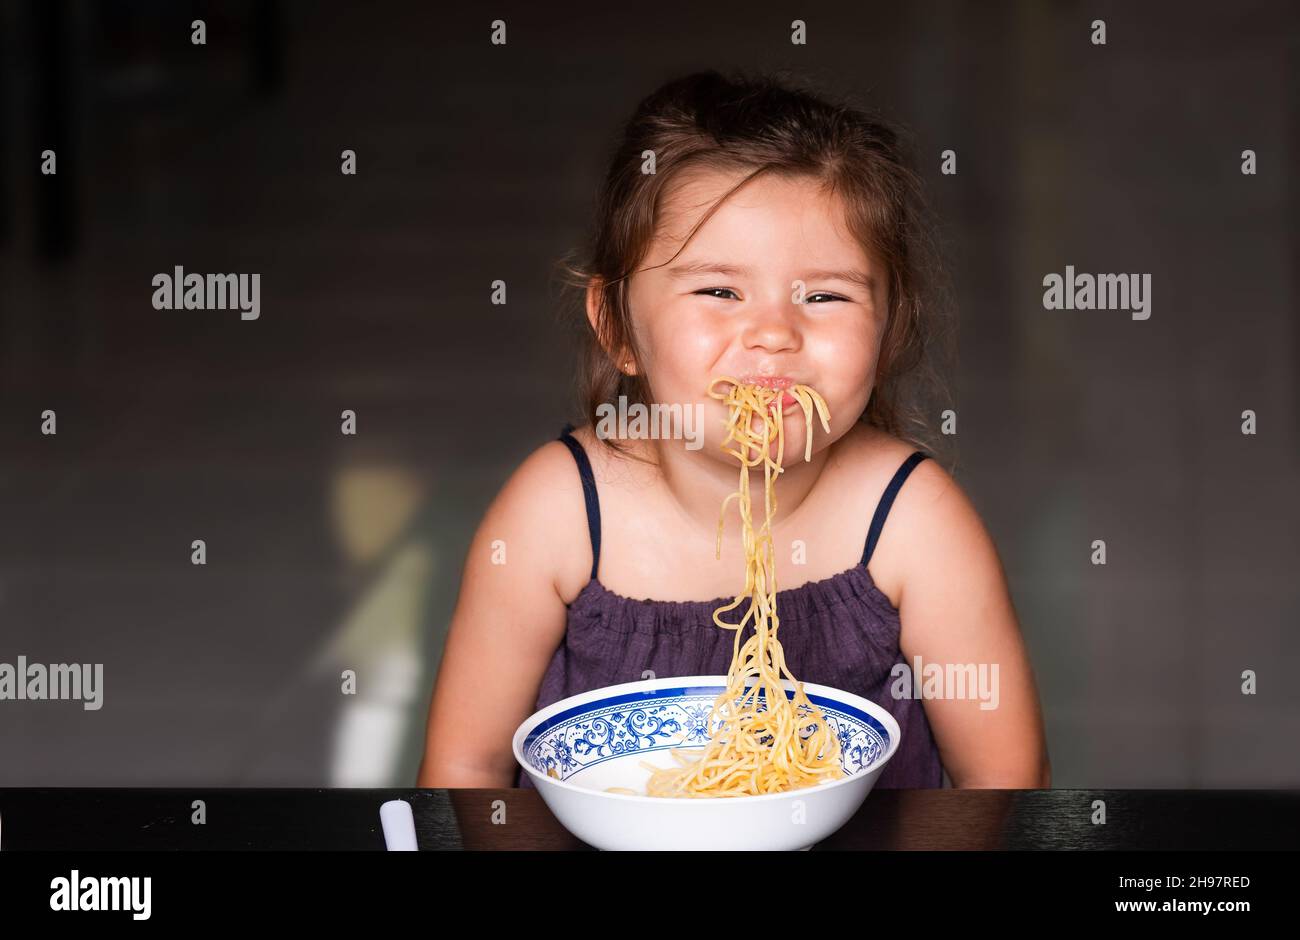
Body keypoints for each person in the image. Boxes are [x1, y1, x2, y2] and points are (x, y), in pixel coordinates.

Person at [418, 69, 1050, 791]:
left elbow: (1005, 779)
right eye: (719, 291)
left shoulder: (913, 518)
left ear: (888, 326)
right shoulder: (559, 510)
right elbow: (464, 769)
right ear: (618, 327)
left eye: (826, 294)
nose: (775, 333)